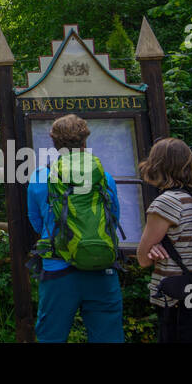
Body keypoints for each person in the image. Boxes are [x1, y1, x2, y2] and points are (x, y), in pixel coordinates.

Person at [26, 114, 125, 342]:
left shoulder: (41, 177)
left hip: (57, 269)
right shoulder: (104, 177)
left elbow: (37, 222)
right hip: (100, 266)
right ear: (84, 142)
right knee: (108, 337)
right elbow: (114, 218)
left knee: (51, 337)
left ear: (54, 143)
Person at [135, 137, 192, 343]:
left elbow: (143, 259)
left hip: (176, 295)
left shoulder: (167, 202)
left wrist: (153, 246)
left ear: (157, 165)